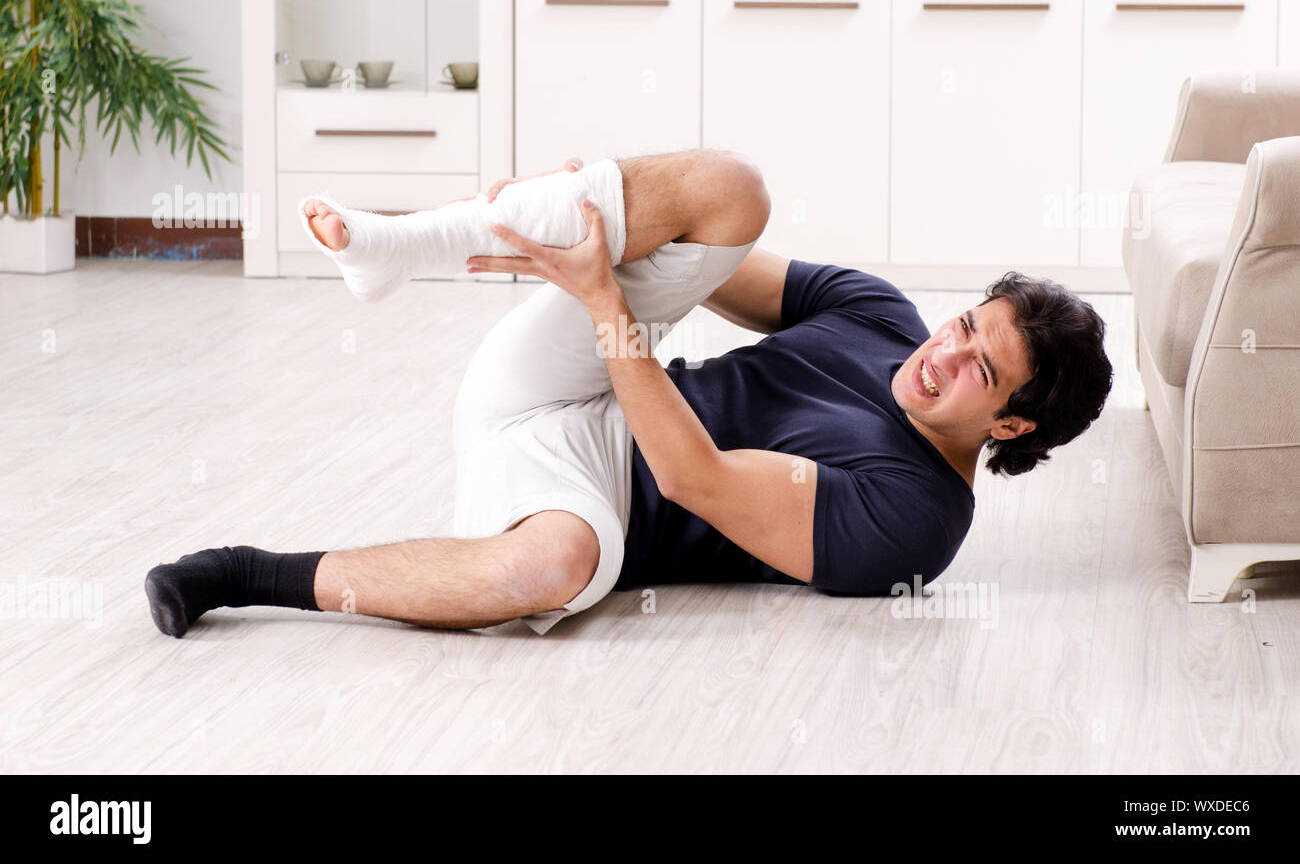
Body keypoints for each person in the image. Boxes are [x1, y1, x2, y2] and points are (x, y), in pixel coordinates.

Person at [144, 149, 1113, 638]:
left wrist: (606, 298)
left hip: (586, 498)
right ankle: (411, 240)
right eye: (964, 323)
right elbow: (709, 247)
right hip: (566, 379)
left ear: (1011, 423)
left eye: (979, 368)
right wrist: (592, 213)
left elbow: (693, 477)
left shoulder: (915, 522)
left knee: (550, 571)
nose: (943, 352)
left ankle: (242, 573)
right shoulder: (881, 315)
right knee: (733, 190)